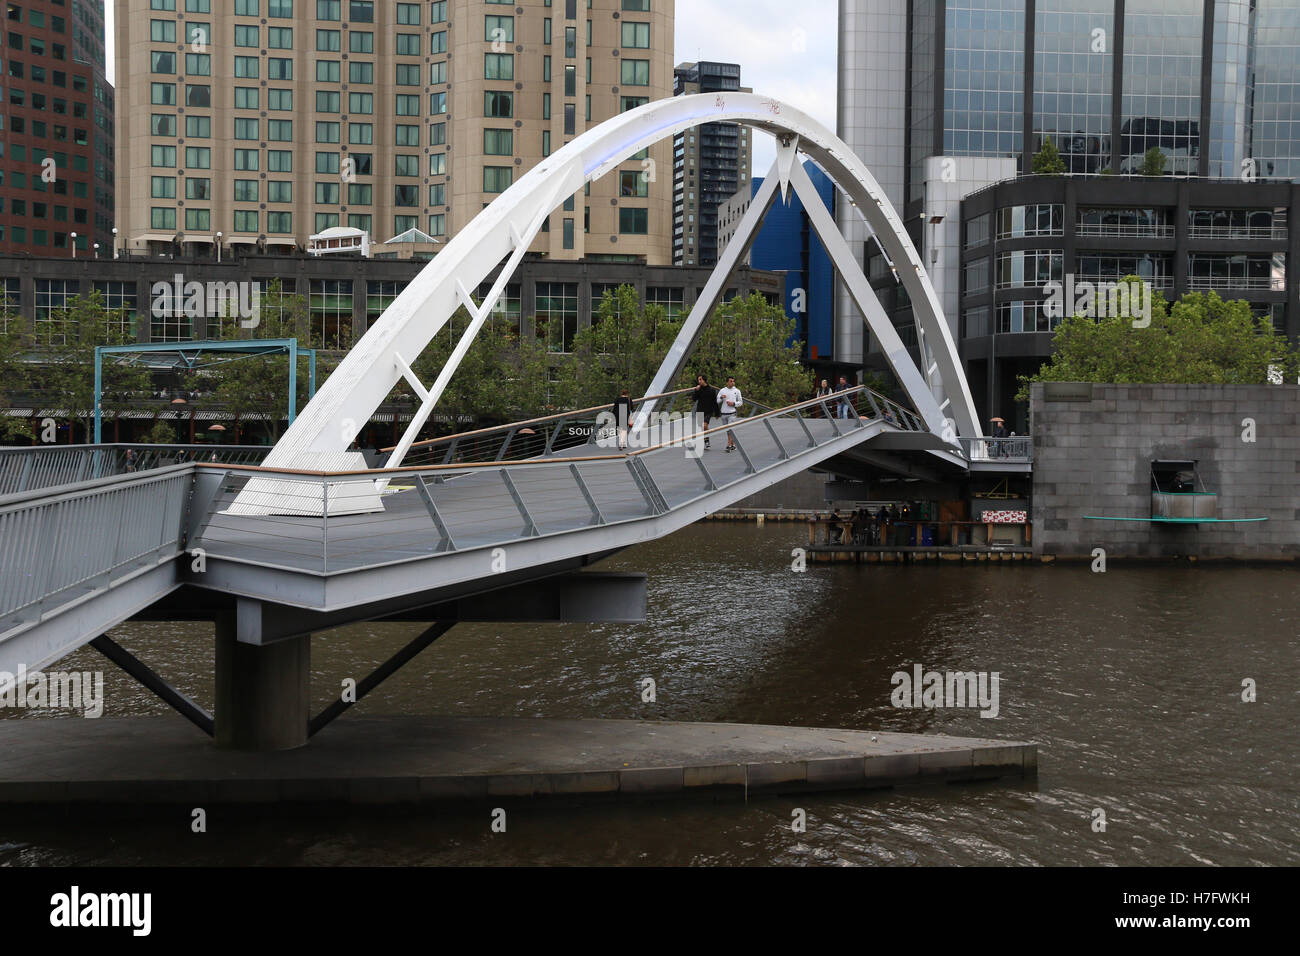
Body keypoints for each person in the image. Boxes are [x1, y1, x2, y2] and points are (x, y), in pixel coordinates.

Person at [693, 374, 721, 448]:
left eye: (700, 379)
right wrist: (696, 390)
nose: (699, 381)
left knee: (704, 425)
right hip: (700, 410)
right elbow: (694, 399)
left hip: (708, 411)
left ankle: (707, 440)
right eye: (698, 380)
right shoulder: (699, 389)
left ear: (704, 380)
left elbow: (714, 402)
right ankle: (704, 440)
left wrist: (717, 413)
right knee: (701, 427)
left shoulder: (711, 390)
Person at [716, 376, 743, 452]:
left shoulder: (737, 391)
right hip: (723, 413)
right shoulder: (722, 390)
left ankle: (729, 445)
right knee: (727, 430)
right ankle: (733, 444)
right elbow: (717, 401)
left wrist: (733, 403)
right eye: (731, 381)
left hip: (732, 413)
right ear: (727, 382)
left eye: (733, 381)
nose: (732, 383)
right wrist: (721, 397)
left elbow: (741, 402)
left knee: (730, 428)